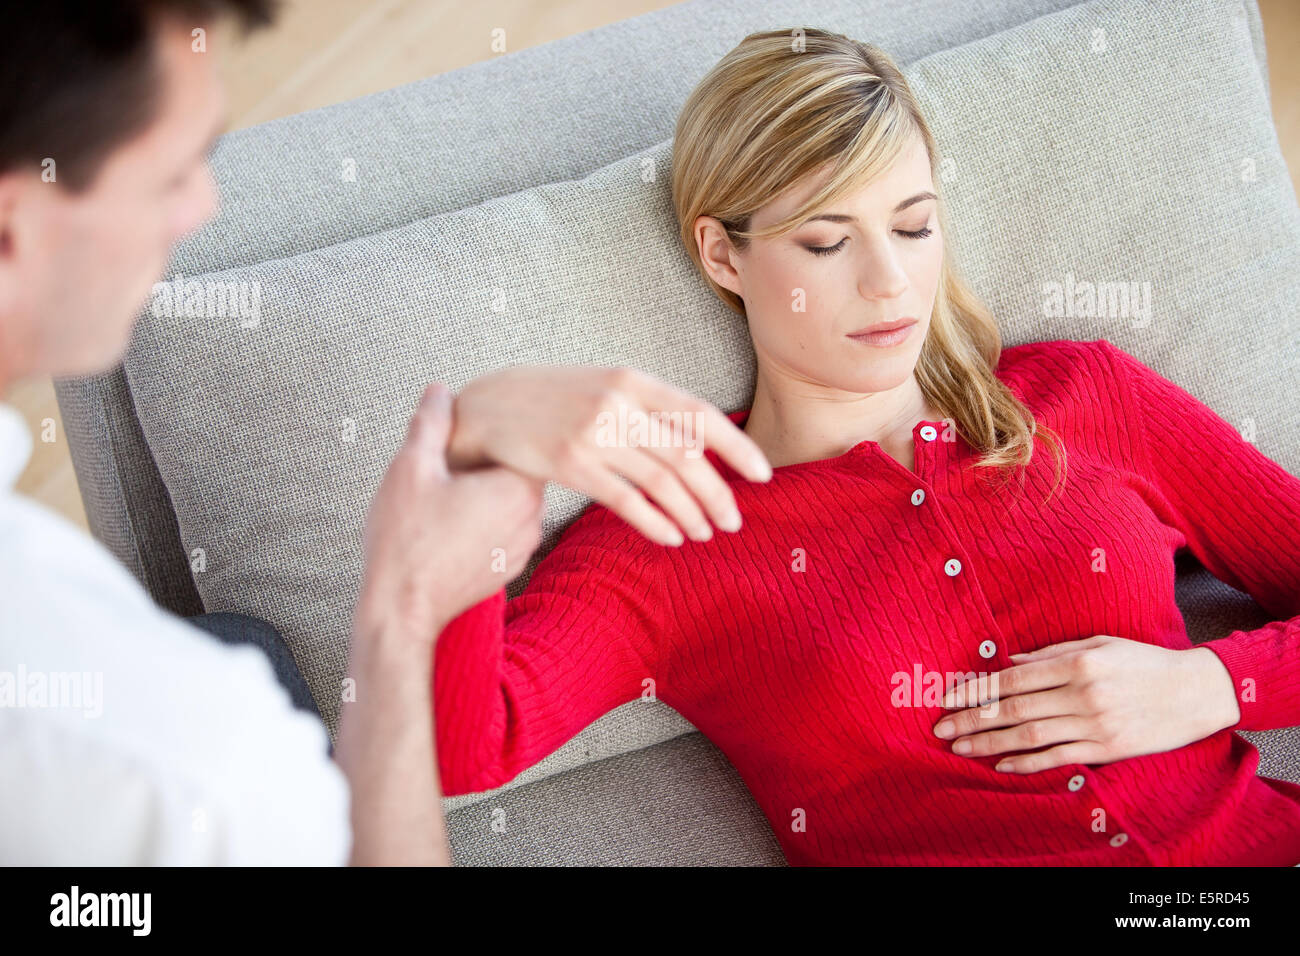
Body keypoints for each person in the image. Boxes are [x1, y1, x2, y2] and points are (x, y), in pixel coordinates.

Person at [422, 28, 1300, 865]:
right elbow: (462, 749)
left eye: (913, 227)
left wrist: (1213, 685)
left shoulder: (1085, 395)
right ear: (723, 256)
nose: (889, 281)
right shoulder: (667, 535)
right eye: (826, 241)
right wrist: (484, 459)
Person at [0, 0, 769, 865]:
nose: (203, 209)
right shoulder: (182, 761)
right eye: (170, 175)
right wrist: (404, 607)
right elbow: (458, 758)